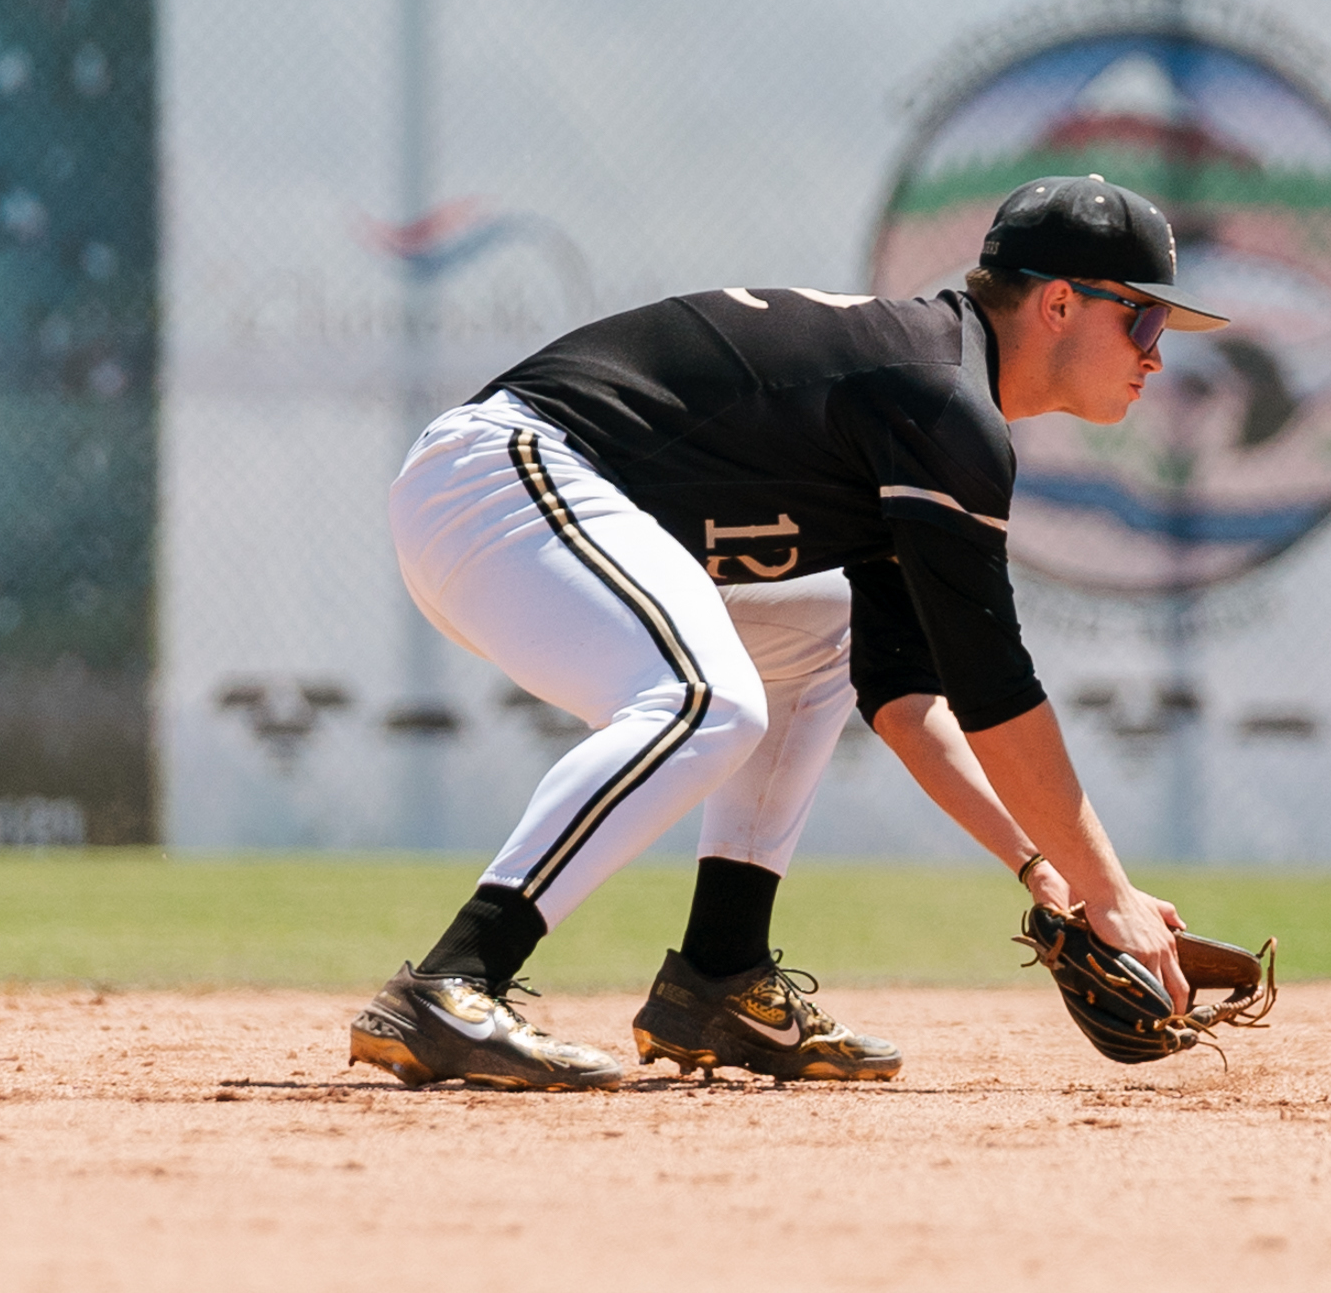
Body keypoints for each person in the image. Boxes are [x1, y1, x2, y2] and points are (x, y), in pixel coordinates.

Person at [348, 175, 1229, 1090]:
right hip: (501, 480)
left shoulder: (933, 397)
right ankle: (455, 979)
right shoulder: (941, 402)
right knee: (706, 700)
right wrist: (1109, 892)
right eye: (1143, 321)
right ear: (1058, 303)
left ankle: (719, 977)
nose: (1156, 355)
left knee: (821, 635)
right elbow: (994, 687)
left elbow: (903, 694)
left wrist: (1042, 866)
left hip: (510, 510)